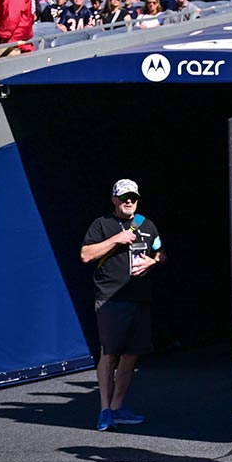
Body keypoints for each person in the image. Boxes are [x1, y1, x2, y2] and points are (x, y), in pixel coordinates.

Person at [79, 179, 164, 432]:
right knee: (110, 353)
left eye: (133, 197)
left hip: (138, 297)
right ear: (114, 199)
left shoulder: (147, 225)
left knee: (130, 355)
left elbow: (161, 252)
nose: (129, 201)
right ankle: (104, 410)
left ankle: (118, 407)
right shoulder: (102, 225)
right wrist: (117, 239)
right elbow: (85, 255)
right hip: (110, 298)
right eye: (124, 197)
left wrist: (154, 262)